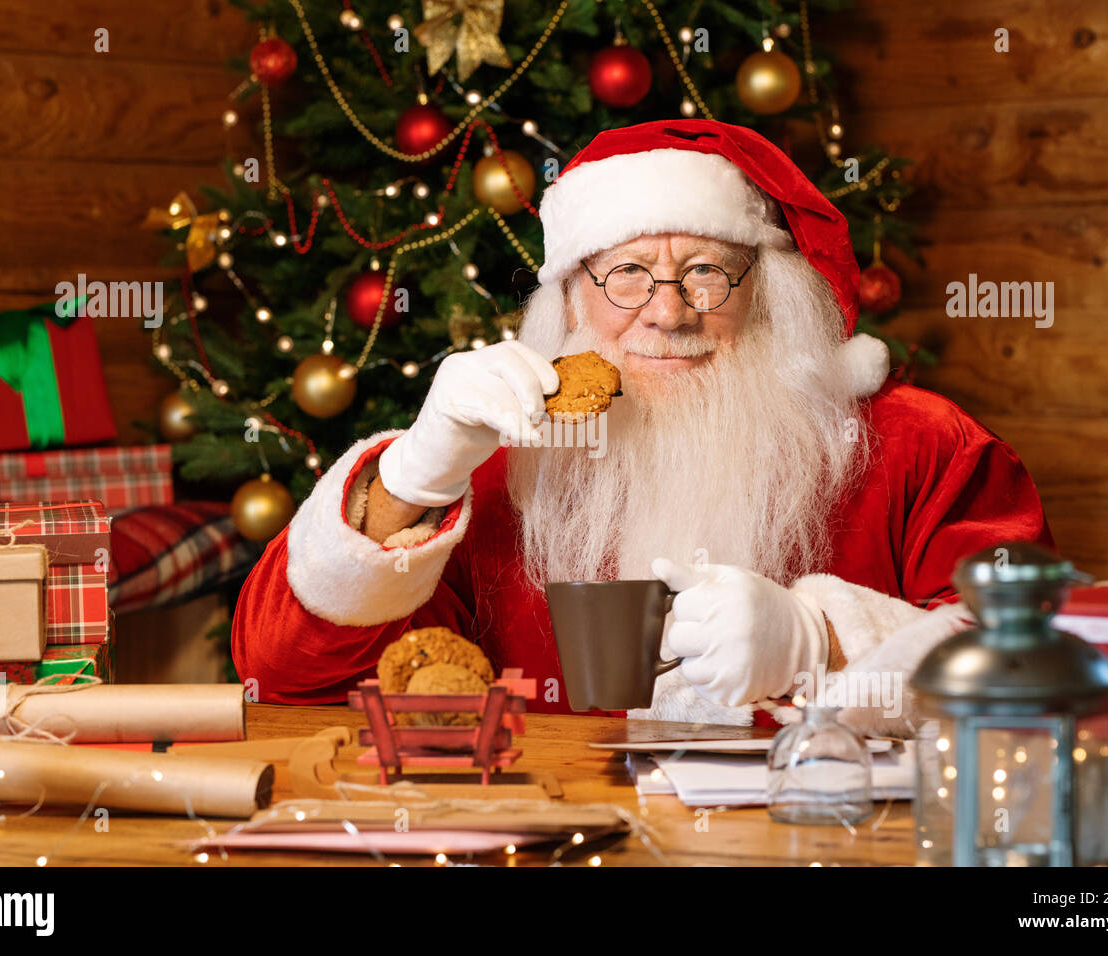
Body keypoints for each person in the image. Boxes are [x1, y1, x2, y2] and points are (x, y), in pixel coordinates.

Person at [231, 118, 1054, 735]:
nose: (666, 312)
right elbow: (285, 677)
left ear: (765, 291)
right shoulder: (500, 469)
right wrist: (411, 478)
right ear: (570, 298)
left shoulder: (918, 445)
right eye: (626, 272)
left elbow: (1037, 677)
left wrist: (828, 643)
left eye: (707, 272)